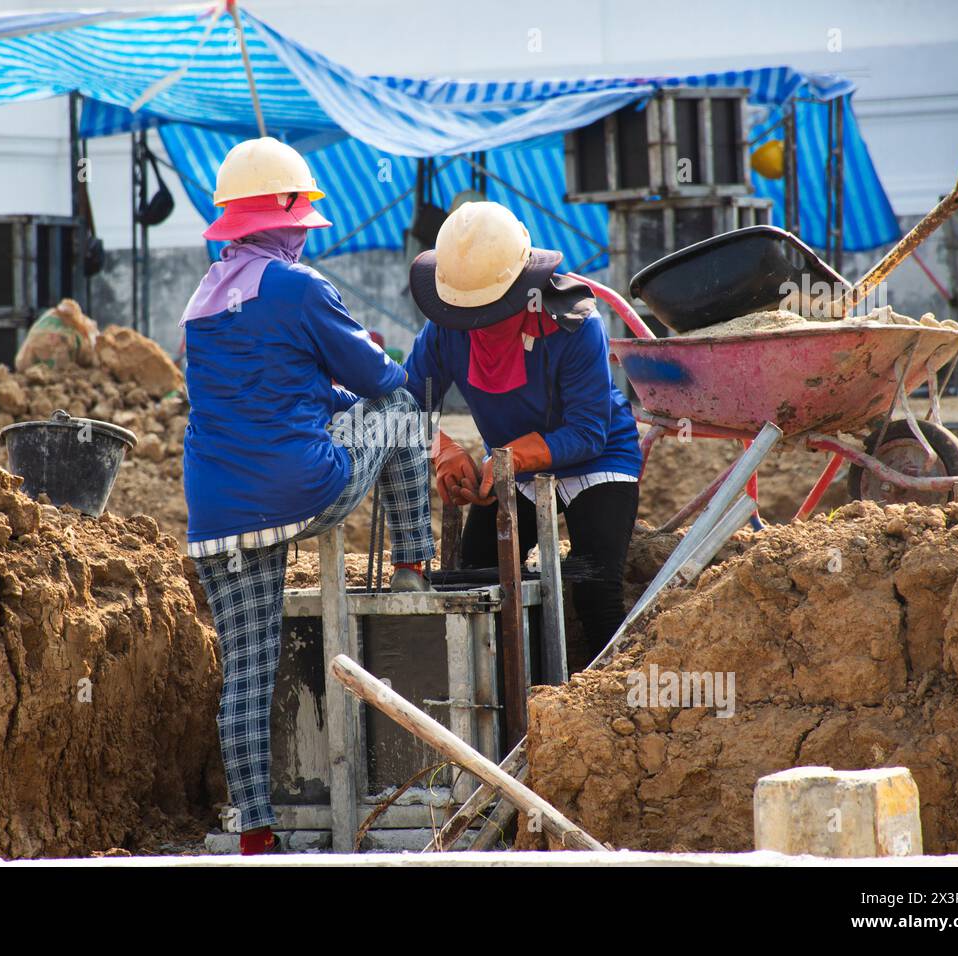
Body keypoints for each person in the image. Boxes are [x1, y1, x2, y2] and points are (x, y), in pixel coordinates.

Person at [181, 137, 435, 855]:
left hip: (217, 514)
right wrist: (359, 385)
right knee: (404, 411)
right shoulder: (301, 287)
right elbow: (380, 379)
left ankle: (256, 832)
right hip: (303, 487)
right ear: (285, 221)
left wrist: (322, 395)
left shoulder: (201, 302)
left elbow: (266, 384)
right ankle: (415, 563)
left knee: (247, 670)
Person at [403, 201, 641, 658]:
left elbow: (589, 431)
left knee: (594, 588)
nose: (475, 323)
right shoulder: (444, 331)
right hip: (512, 468)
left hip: (598, 459)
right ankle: (520, 696)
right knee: (479, 577)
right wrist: (442, 450)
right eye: (465, 311)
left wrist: (510, 458)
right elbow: (405, 407)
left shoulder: (575, 326)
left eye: (487, 310)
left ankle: (608, 706)